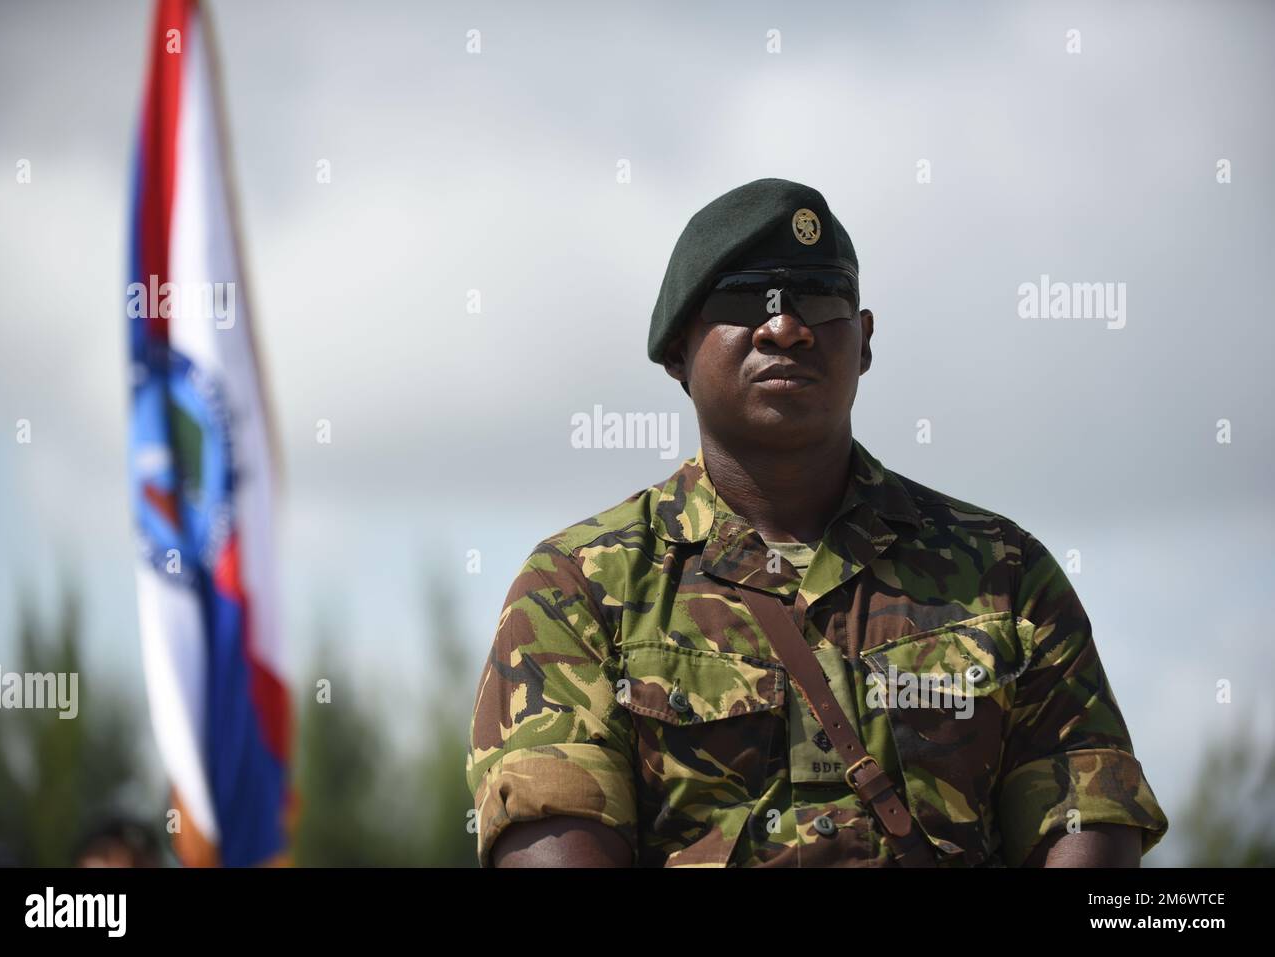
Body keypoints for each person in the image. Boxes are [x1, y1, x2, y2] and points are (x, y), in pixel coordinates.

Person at [464, 177, 1168, 867]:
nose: (786, 328)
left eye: (819, 300)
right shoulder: (578, 586)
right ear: (680, 347)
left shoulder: (1006, 576)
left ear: (862, 341)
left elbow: (1086, 820)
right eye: (746, 301)